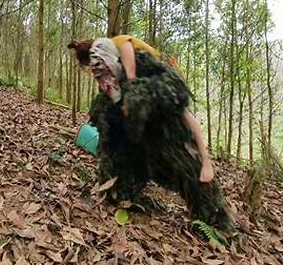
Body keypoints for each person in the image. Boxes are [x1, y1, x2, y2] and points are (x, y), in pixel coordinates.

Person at [69, 35, 214, 183]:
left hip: (160, 75)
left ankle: (206, 161)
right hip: (147, 82)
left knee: (183, 113)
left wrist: (131, 91)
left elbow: (130, 63)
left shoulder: (117, 42)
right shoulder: (107, 54)